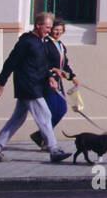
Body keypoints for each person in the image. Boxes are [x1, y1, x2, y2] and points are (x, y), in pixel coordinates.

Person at [0, 12, 70, 163]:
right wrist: (0, 85)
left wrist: (51, 75)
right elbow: (10, 63)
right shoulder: (26, 43)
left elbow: (41, 65)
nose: (49, 30)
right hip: (28, 86)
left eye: (50, 27)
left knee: (17, 119)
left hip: (35, 84)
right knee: (45, 115)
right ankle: (54, 150)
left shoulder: (41, 42)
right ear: (38, 25)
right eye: (47, 27)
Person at [30, 18, 79, 150]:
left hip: (58, 82)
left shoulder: (61, 45)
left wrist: (72, 76)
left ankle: (40, 135)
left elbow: (64, 65)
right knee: (51, 111)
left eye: (60, 30)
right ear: (50, 29)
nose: (57, 32)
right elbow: (42, 62)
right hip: (47, 81)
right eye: (55, 29)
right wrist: (51, 71)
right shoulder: (45, 43)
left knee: (62, 109)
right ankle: (47, 139)